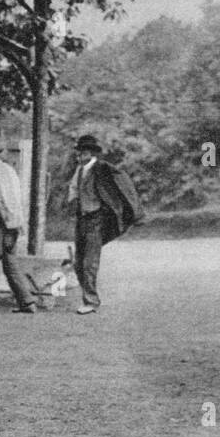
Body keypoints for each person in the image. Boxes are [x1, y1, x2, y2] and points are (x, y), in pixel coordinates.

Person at [64, 134, 144, 315]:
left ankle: (91, 301)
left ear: (90, 153)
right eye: (79, 152)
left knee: (89, 263)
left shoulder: (102, 169)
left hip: (96, 219)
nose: (80, 155)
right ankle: (89, 296)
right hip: (82, 219)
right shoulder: (79, 171)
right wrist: (73, 207)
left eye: (83, 151)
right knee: (78, 263)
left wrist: (131, 211)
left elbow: (122, 185)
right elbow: (73, 191)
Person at [0, 140, 34, 313]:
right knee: (10, 265)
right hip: (13, 223)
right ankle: (27, 302)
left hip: (1, 223)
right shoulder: (8, 170)